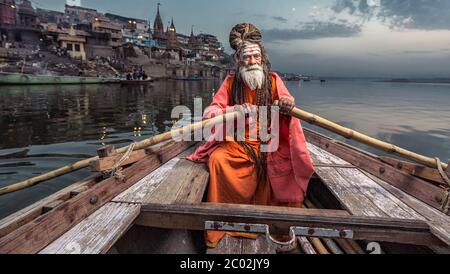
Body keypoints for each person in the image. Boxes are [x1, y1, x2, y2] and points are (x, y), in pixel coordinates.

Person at [187, 23, 315, 248]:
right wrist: (231, 111)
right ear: (239, 60)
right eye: (246, 58)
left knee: (281, 164)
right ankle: (227, 221)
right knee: (218, 160)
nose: (252, 62)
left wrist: (287, 103)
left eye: (256, 56)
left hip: (270, 143)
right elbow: (210, 112)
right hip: (237, 144)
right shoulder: (230, 82)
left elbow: (288, 101)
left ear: (263, 58)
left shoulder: (274, 80)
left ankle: (271, 222)